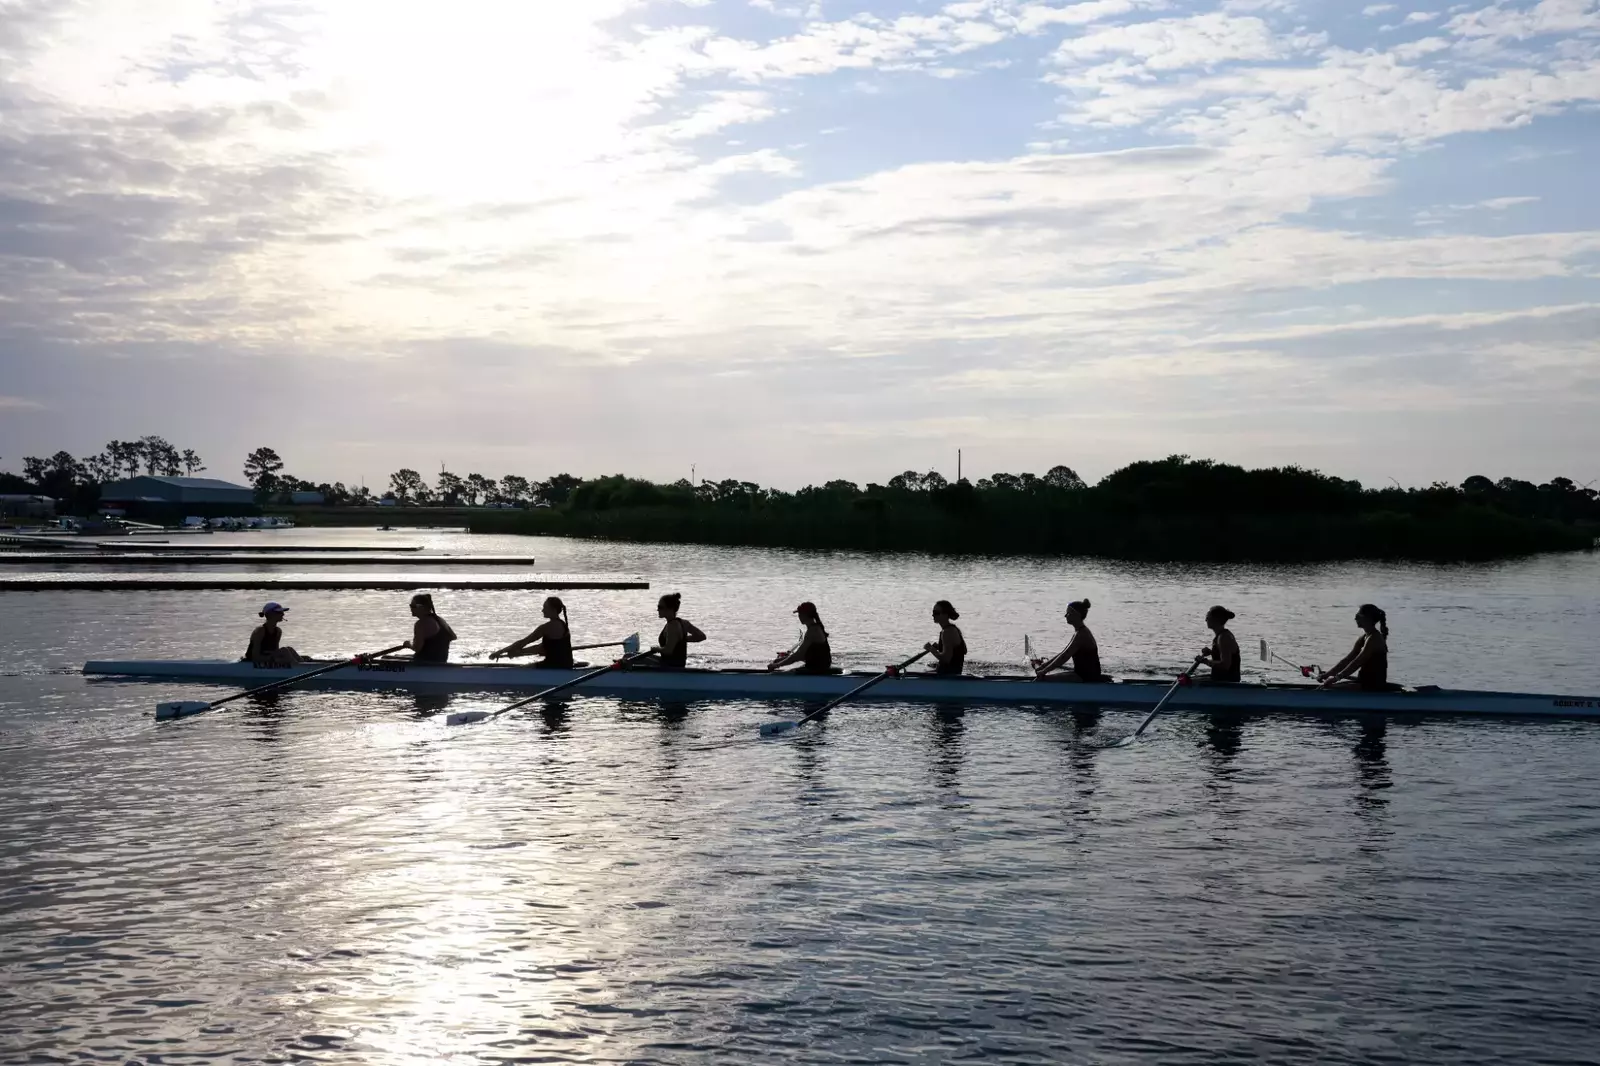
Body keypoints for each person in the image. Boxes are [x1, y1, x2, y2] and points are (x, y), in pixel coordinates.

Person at [489, 596, 573, 668]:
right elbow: (543, 648)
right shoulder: (563, 624)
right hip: (567, 665)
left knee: (518, 671)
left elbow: (524, 641)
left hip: (554, 666)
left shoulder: (547, 627)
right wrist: (518, 652)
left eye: (545, 607)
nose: (542, 610)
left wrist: (500, 652)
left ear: (553, 609)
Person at [1320, 604, 1389, 690]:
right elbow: (1348, 659)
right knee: (1326, 687)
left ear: (1368, 618)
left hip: (1373, 686)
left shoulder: (1374, 638)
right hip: (1364, 682)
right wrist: (1327, 674)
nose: (1355, 618)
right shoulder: (1364, 637)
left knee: (1328, 689)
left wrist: (1337, 678)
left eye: (1358, 616)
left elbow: (1357, 662)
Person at [1033, 599, 1104, 682]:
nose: (1065, 615)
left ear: (1076, 615)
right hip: (1082, 674)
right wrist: (1044, 666)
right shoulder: (1079, 632)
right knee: (1042, 677)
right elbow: (1063, 653)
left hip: (1086, 678)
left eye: (1068, 613)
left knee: (1042, 680)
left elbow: (1064, 657)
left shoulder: (1082, 635)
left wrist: (1044, 671)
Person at [768, 601, 832, 673]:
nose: (799, 616)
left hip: (818, 668)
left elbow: (799, 655)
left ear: (806, 615)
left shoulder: (813, 631)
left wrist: (777, 665)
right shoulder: (814, 628)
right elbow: (804, 655)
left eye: (800, 614)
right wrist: (780, 660)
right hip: (817, 665)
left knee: (787, 673)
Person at [656, 592, 706, 669]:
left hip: (670, 667)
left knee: (633, 661)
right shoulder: (684, 622)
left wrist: (656, 648)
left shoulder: (672, 626)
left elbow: (668, 650)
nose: (657, 610)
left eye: (660, 607)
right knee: (631, 656)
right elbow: (700, 636)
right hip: (679, 664)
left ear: (670, 609)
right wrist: (682, 639)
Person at [244, 602, 302, 667]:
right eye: (279, 612)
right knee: (284, 651)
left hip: (268, 659)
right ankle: (298, 668)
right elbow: (255, 657)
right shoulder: (260, 631)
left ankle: (304, 665)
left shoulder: (278, 631)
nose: (283, 614)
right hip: (252, 662)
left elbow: (275, 651)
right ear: (270, 615)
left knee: (290, 649)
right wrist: (275, 659)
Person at [405, 593, 457, 663]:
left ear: (422, 607)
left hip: (424, 663)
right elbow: (453, 637)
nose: (410, 608)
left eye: (413, 606)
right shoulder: (440, 620)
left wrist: (408, 645)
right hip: (441, 661)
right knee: (397, 656)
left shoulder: (420, 624)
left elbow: (417, 648)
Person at [1195, 605, 1241, 683]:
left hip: (1227, 682)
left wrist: (1205, 661)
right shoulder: (1222, 635)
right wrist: (1212, 652)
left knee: (1187, 682)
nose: (1205, 620)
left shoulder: (1223, 638)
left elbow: (1225, 665)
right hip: (1221, 679)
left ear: (1215, 620)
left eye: (1208, 617)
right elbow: (1225, 654)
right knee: (1185, 679)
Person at [925, 600, 967, 675]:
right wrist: (940, 647)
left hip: (948, 676)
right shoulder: (953, 629)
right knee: (925, 673)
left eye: (936, 613)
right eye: (933, 613)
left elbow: (946, 659)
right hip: (949, 674)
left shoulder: (947, 632)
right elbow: (960, 651)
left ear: (945, 614)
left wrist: (931, 649)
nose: (933, 615)